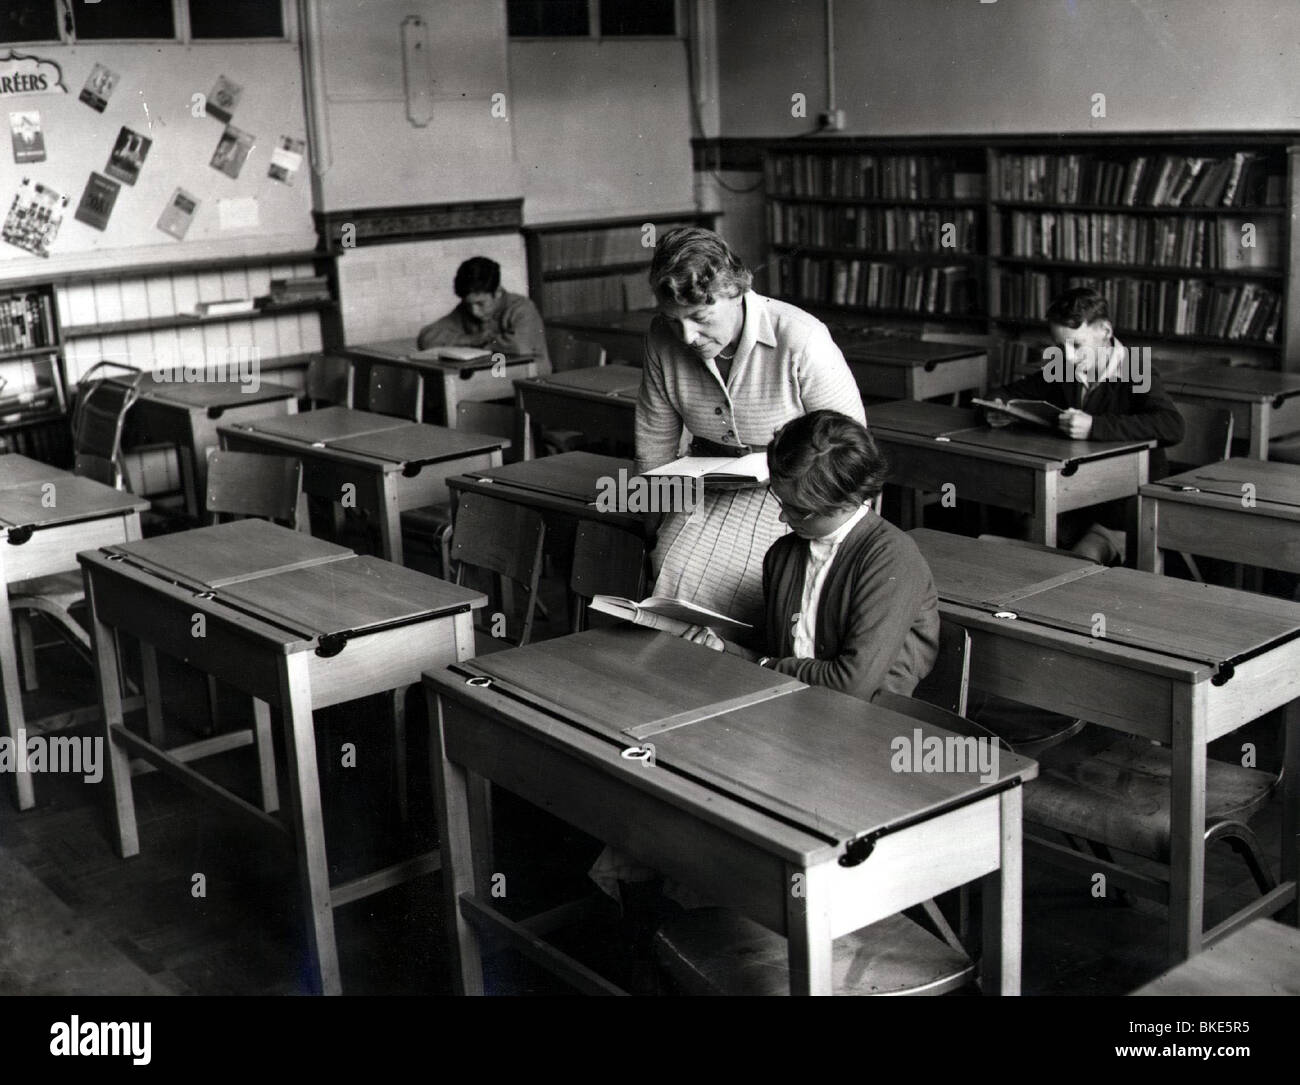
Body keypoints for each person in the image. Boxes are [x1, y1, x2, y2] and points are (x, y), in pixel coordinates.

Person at [636, 227, 865, 629]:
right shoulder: (661, 338)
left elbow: (849, 445)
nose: (687, 337)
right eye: (675, 321)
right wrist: (652, 522)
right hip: (704, 483)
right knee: (670, 571)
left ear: (736, 292)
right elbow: (654, 443)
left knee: (752, 587)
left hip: (796, 494)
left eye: (700, 318)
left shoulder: (801, 336)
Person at [681, 410, 939, 703]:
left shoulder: (892, 558)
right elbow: (778, 659)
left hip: (869, 722)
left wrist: (764, 667)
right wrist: (725, 650)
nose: (782, 516)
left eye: (799, 509)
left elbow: (852, 686)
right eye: (779, 500)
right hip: (794, 706)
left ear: (847, 500)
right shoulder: (782, 555)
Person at [983, 286, 1184, 563]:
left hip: (1121, 508)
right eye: (1059, 345)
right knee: (1028, 543)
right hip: (1074, 500)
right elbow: (1008, 391)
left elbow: (1171, 425)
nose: (1068, 355)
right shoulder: (1063, 365)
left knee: (1081, 559)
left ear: (1105, 332)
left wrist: (1095, 426)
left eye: (1077, 345)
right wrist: (996, 408)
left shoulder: (1135, 367)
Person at [415, 256, 549, 365]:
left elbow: (519, 346)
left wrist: (481, 343)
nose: (474, 311)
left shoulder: (522, 308)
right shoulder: (466, 309)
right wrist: (473, 340)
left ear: (497, 292)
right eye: (469, 304)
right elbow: (426, 338)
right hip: (492, 381)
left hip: (530, 384)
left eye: (480, 303)